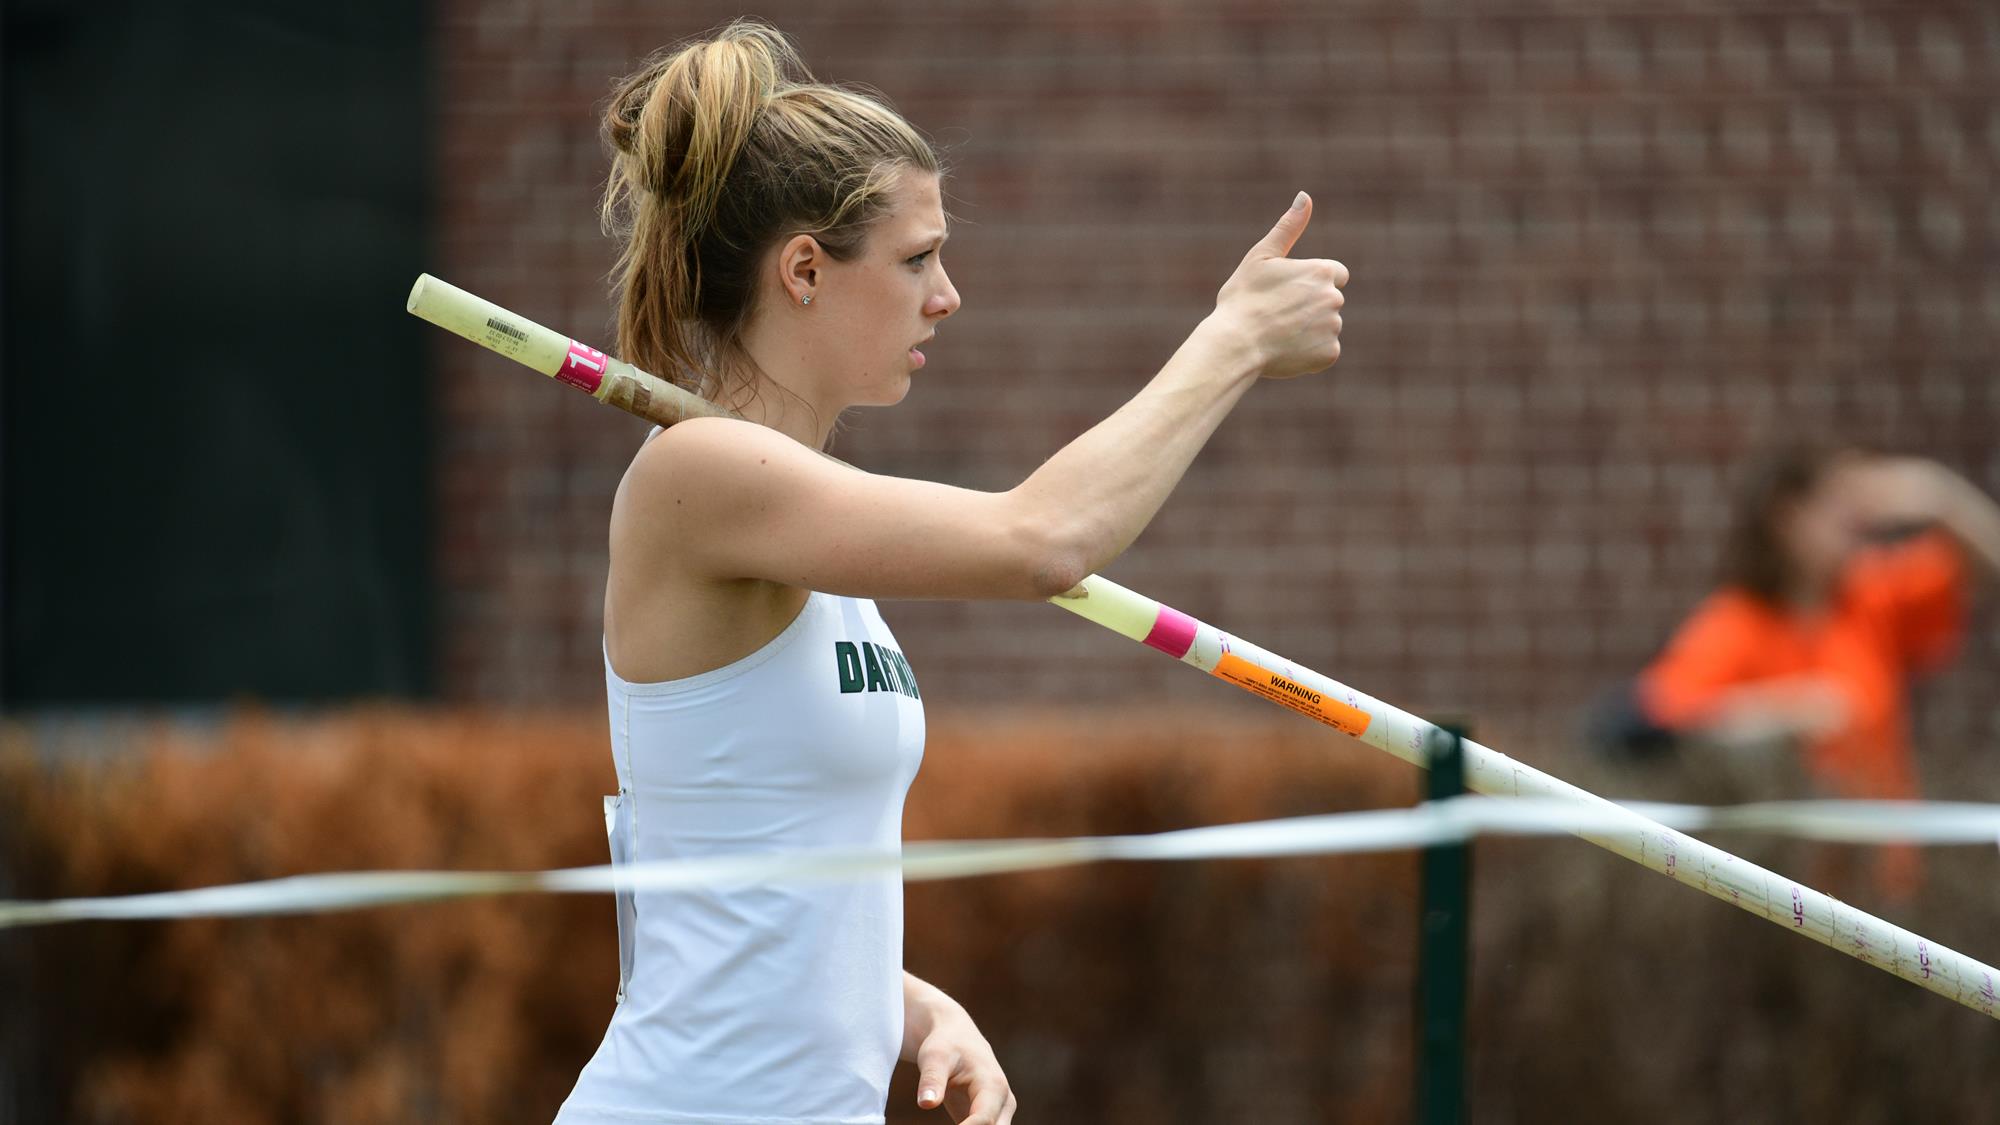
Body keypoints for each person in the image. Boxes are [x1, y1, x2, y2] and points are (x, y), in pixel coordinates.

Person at [554, 20, 1346, 1125]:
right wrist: (1232, 343)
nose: (947, 296)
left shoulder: (805, 529)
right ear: (803, 272)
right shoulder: (705, 476)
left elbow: (760, 888)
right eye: (917, 258)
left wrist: (902, 1003)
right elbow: (1043, 542)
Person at [1606, 444, 2000, 901]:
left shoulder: (1872, 600)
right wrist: (1784, 709)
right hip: (1782, 897)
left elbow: (1985, 569)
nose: (1857, 519)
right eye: (1836, 503)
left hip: (1888, 887)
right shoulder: (1736, 624)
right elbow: (1662, 721)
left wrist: (1936, 493)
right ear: (1788, 516)